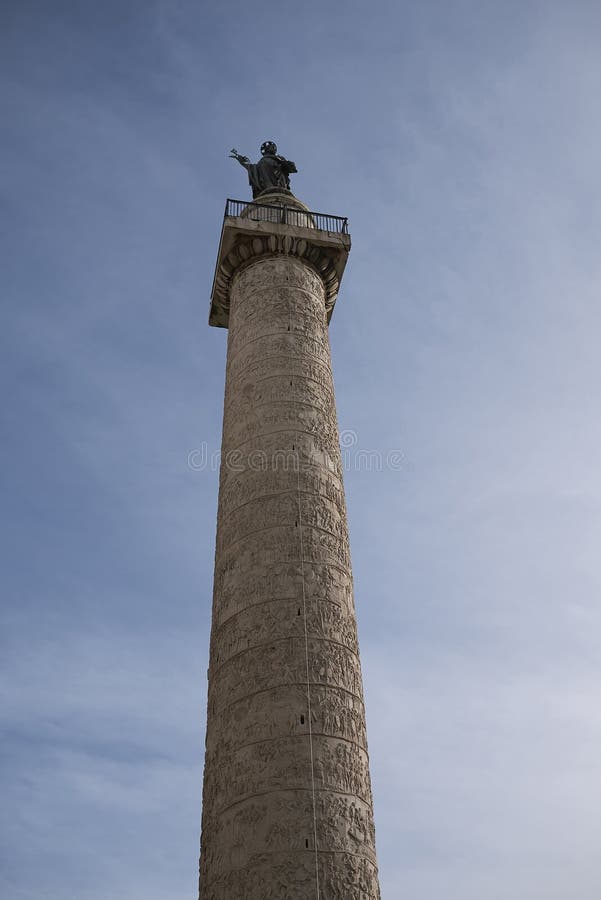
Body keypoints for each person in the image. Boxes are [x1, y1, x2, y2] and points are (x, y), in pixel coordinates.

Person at [230, 141, 297, 198]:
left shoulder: (279, 159)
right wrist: (242, 161)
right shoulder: (261, 162)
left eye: (273, 147)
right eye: (271, 147)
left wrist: (284, 162)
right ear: (266, 149)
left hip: (280, 183)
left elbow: (292, 168)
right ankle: (269, 189)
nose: (273, 148)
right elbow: (251, 168)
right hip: (266, 186)